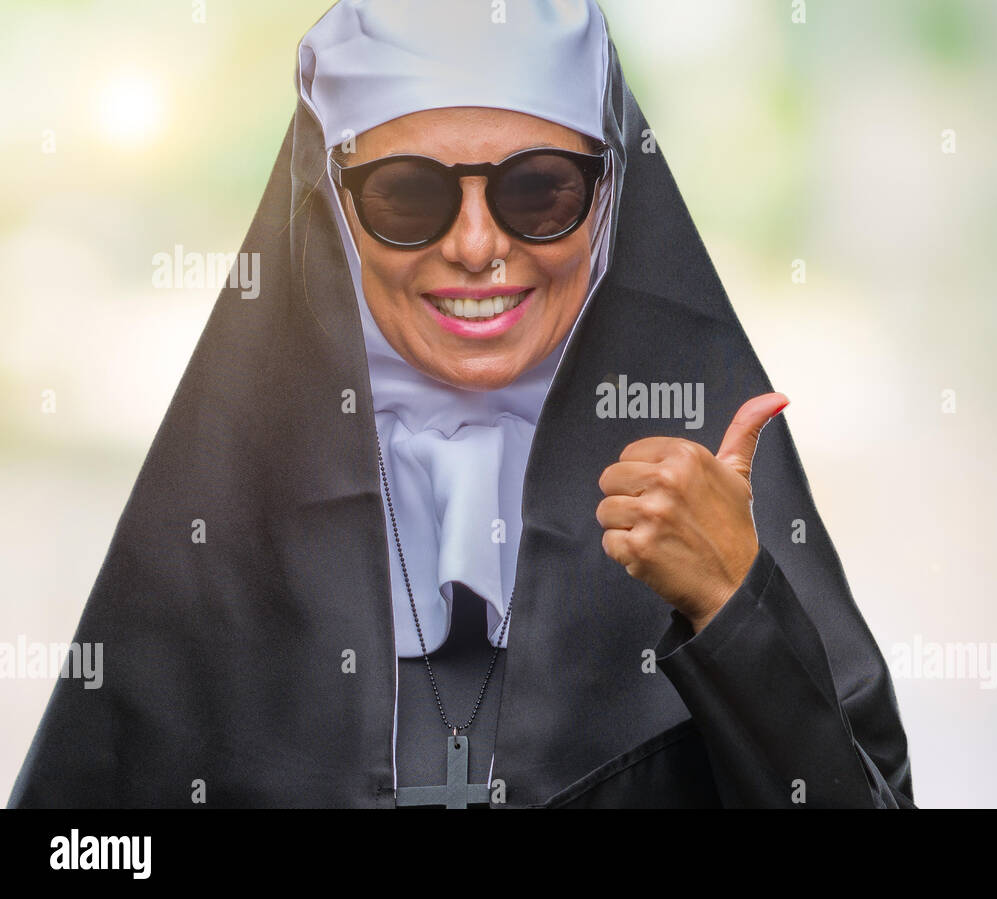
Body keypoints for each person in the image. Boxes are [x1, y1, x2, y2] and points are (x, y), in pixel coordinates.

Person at [9, 0, 914, 809]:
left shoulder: (718, 515)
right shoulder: (215, 546)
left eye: (539, 190)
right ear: (332, 208)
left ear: (609, 200)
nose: (478, 247)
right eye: (407, 195)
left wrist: (734, 605)